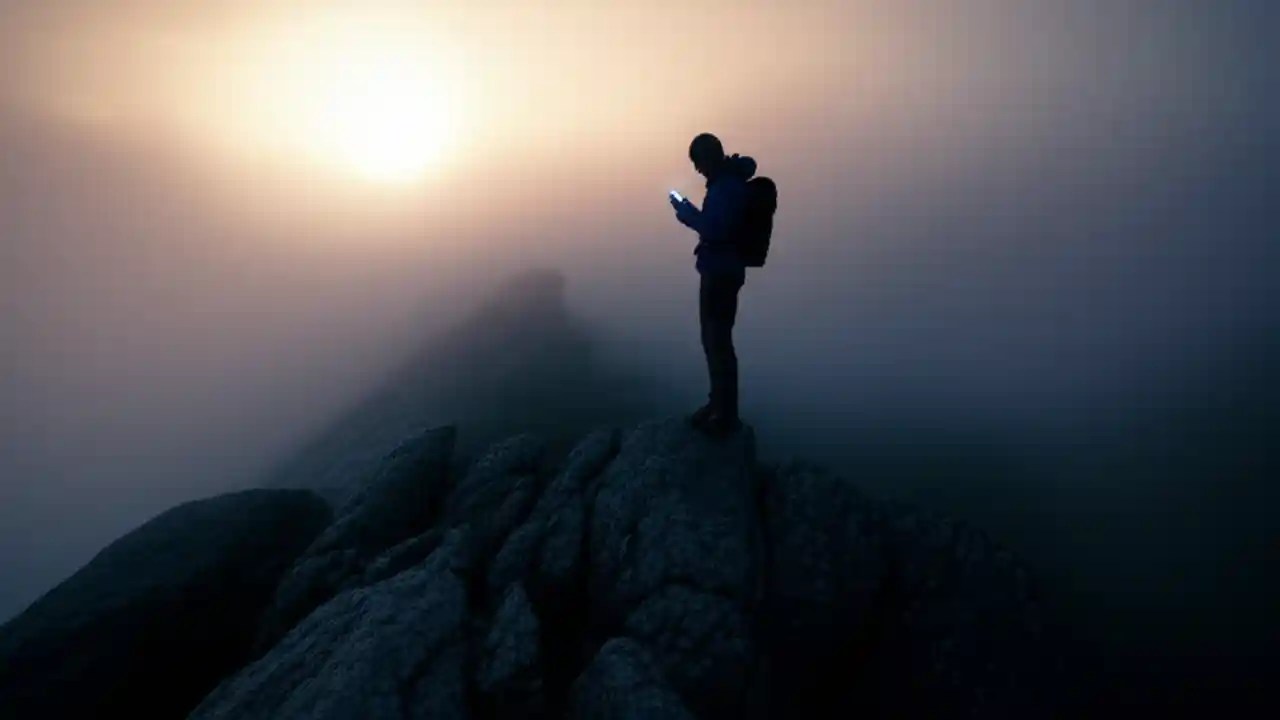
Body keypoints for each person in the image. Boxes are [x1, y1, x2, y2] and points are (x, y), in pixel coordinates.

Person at [670, 133, 757, 437]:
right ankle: (718, 404)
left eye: (698, 163)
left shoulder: (726, 188)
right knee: (715, 340)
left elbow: (716, 229)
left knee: (716, 341)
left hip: (720, 273)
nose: (697, 170)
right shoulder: (729, 183)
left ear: (709, 157)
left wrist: (688, 215)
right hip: (724, 270)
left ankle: (724, 414)